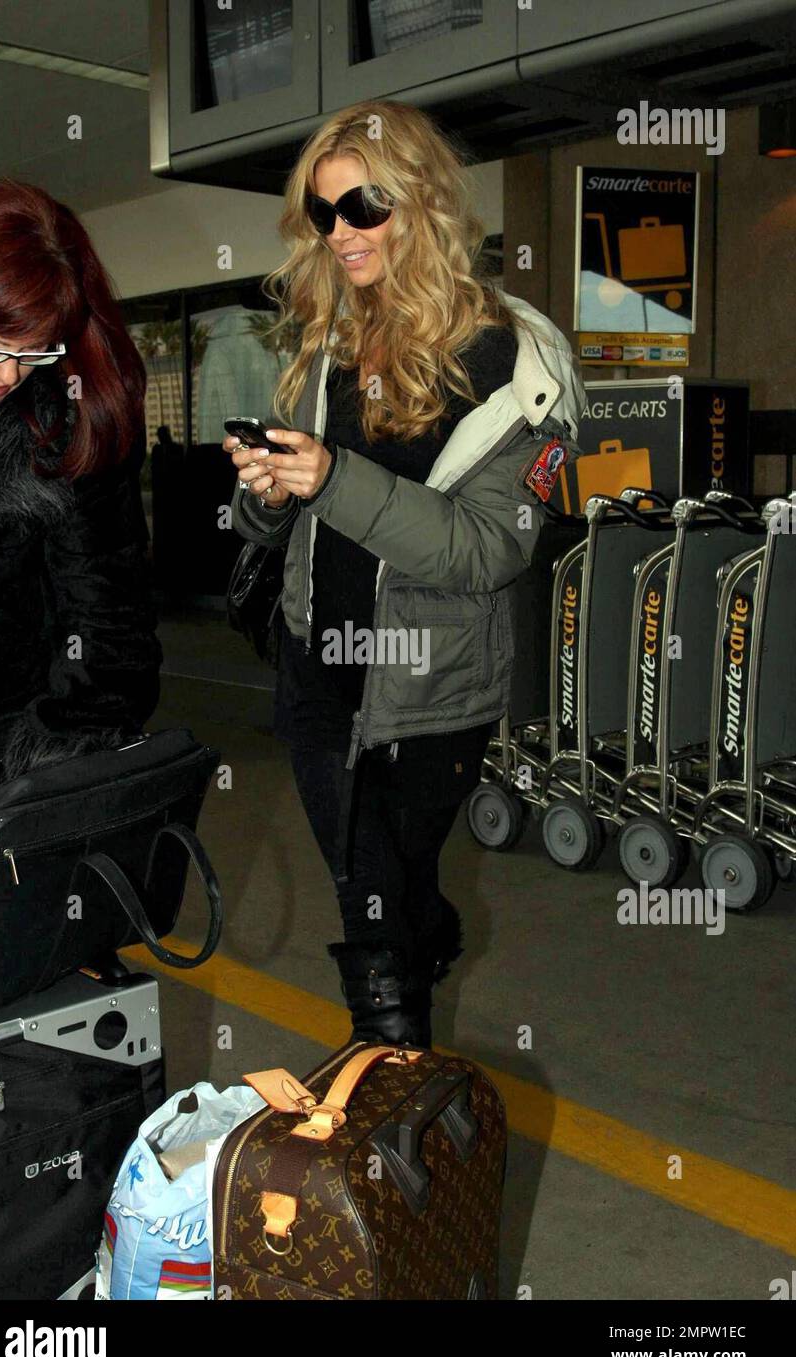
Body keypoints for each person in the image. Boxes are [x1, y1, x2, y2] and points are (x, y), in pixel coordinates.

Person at [225, 100, 585, 1047]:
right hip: (315, 671)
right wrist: (268, 491)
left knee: (382, 893)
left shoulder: (517, 360)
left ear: (421, 200)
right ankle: (390, 1082)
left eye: (363, 207)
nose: (339, 232)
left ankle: (388, 1109)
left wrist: (334, 479)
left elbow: (489, 548)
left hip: (429, 691)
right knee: (372, 898)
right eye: (322, 213)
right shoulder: (326, 340)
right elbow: (279, 523)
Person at [0, 178, 162, 775]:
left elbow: (108, 622)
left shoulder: (61, 427)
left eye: (35, 350)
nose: (8, 373)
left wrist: (48, 755)